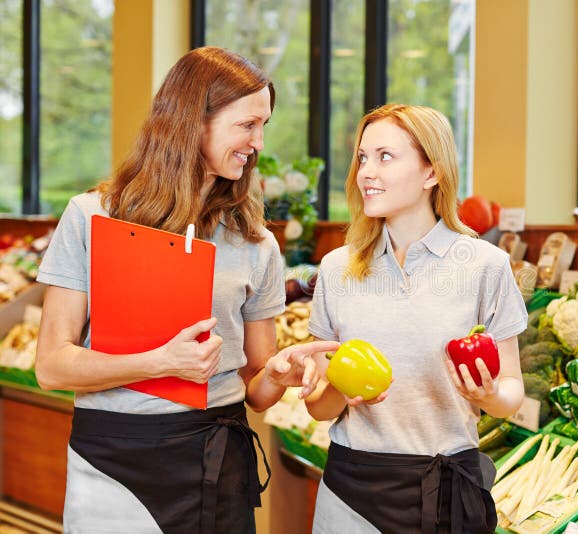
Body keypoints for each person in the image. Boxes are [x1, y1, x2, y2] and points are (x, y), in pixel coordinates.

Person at [34, 46, 338, 534]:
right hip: (112, 462)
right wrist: (161, 362)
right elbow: (51, 365)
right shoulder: (94, 217)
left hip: (218, 461)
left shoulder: (256, 242)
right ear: (194, 120)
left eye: (263, 126)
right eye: (247, 125)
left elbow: (256, 390)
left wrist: (280, 373)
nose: (257, 142)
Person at [304, 104, 528, 533]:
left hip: (446, 491)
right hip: (352, 493)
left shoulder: (485, 265)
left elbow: (512, 391)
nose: (366, 171)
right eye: (362, 158)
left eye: (385, 157)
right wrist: (338, 388)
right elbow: (318, 407)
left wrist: (487, 395)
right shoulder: (336, 268)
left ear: (431, 173)